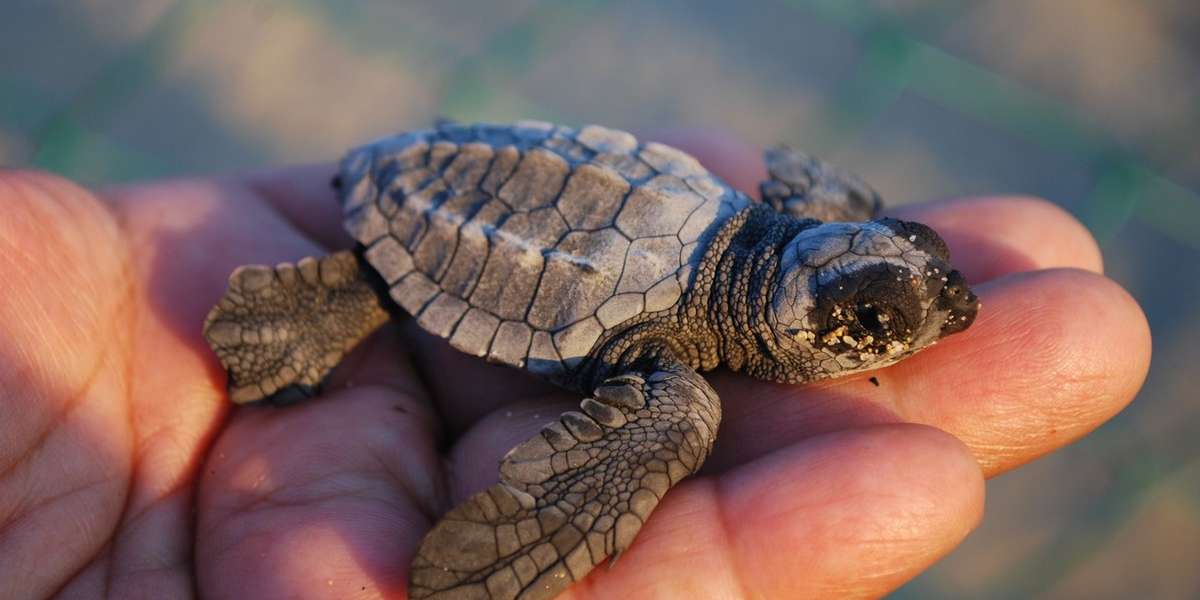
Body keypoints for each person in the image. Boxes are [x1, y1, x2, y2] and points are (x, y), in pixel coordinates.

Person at [0, 132, 1150, 599]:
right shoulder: (679, 370)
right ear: (810, 327)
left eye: (912, 272)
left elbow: (810, 198)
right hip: (431, 225)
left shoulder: (755, 216)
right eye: (884, 312)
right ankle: (338, 295)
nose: (929, 318)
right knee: (675, 421)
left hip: (503, 160)